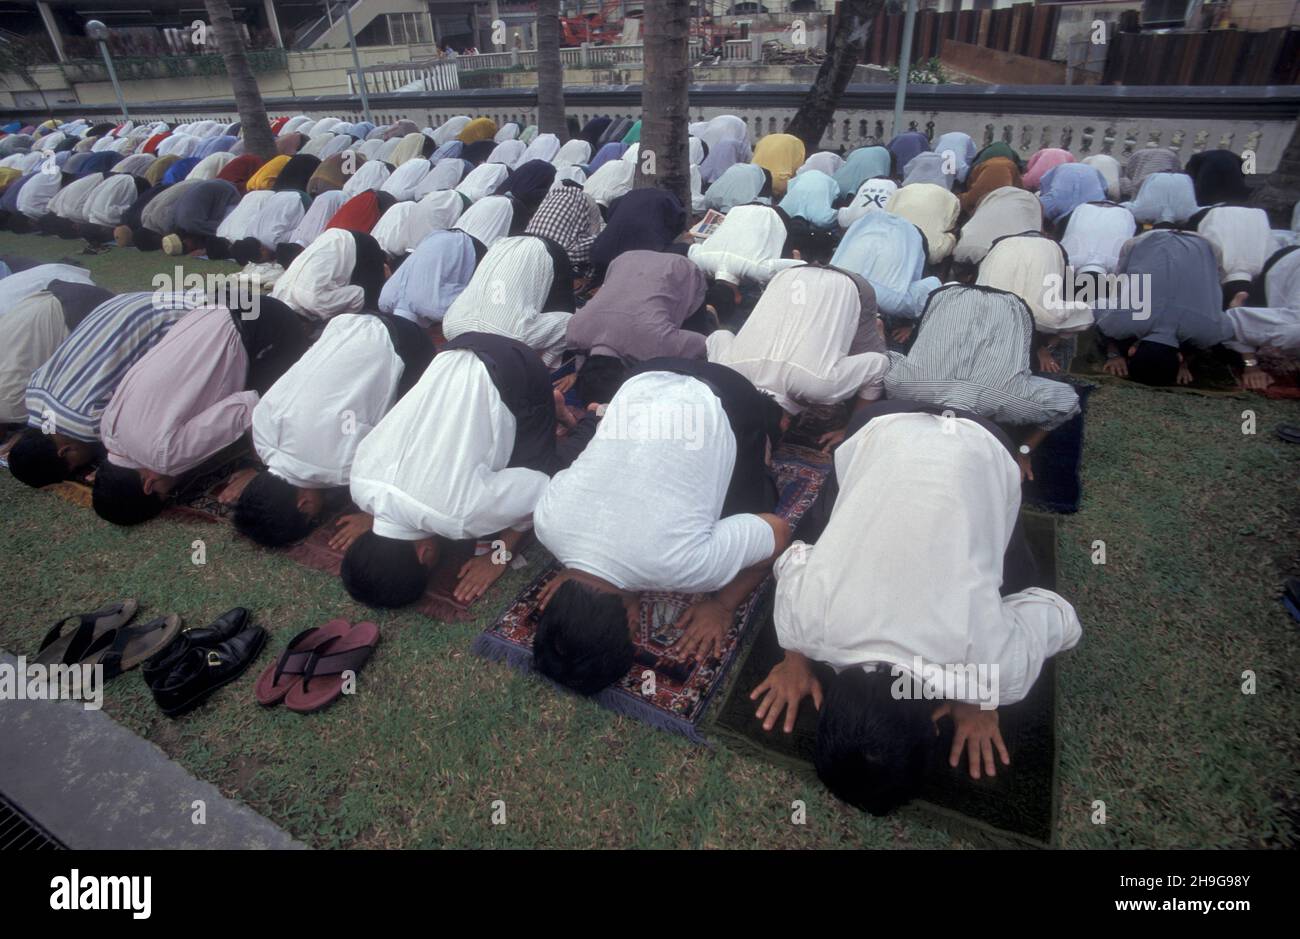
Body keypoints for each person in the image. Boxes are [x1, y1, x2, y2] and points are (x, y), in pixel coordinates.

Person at [760, 405, 1080, 814]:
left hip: (981, 440)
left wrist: (982, 693)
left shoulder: (997, 671)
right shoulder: (801, 621)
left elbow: (1060, 617)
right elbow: (793, 559)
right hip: (882, 423)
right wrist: (795, 657)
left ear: (933, 724)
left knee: (1012, 578)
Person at [532, 359, 791, 693]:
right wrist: (576, 568)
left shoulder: (691, 570)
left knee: (757, 505)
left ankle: (768, 432)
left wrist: (722, 605)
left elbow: (779, 532)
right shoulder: (546, 524)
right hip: (643, 375)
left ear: (630, 623)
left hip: (729, 394)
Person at [341, 332, 597, 608]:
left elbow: (541, 487)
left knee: (552, 470)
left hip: (516, 367)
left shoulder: (457, 518)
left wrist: (498, 556)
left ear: (425, 554)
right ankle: (551, 410)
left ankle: (597, 418)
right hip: (454, 351)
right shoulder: (360, 487)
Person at [91, 299, 309, 526]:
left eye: (169, 493)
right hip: (222, 304)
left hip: (266, 323)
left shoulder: (164, 458)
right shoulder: (107, 427)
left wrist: (258, 466)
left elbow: (249, 404)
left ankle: (304, 345)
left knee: (282, 401)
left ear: (149, 485)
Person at [230, 312, 434, 547]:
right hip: (348, 323)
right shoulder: (262, 433)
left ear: (304, 505)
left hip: (407, 342)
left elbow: (400, 461)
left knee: (412, 415)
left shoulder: (340, 471)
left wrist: (373, 517)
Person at [882, 284, 1081, 477]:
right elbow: (1067, 403)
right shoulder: (904, 385)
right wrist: (1023, 451)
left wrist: (1024, 450)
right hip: (958, 297)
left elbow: (1067, 403)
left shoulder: (1008, 400)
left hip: (989, 304)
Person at [8, 291, 194, 488]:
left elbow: (145, 439)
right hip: (134, 301)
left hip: (181, 318)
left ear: (65, 451)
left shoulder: (89, 423)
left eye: (75, 466)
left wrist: (115, 464)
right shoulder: (33, 395)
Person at [706, 265, 890, 417]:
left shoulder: (822, 385)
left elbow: (879, 364)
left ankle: (875, 329)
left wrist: (853, 429)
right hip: (789, 274)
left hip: (850, 286)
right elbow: (718, 336)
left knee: (867, 352)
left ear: (785, 423)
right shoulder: (728, 369)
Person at [565, 251, 717, 397]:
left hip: (680, 269)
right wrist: (578, 374)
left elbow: (707, 344)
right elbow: (582, 358)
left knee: (687, 367)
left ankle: (709, 314)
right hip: (626, 260)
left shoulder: (659, 343)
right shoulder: (573, 330)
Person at [442, 235, 575, 364]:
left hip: (537, 249)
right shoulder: (449, 327)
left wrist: (544, 364)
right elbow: (569, 324)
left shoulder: (516, 336)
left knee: (557, 310)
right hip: (504, 244)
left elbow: (569, 324)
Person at [0, 280, 112, 428]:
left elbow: (50, 421)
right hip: (56, 299)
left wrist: (24, 440)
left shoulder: (10, 406)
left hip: (83, 312)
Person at [830, 211, 940, 332]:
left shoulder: (893, 301)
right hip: (877, 225)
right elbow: (933, 289)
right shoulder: (894, 302)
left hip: (878, 226)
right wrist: (912, 326)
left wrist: (910, 325)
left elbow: (933, 288)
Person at [687, 203, 802, 292]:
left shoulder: (759, 270)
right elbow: (692, 247)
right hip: (739, 210)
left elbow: (799, 265)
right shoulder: (698, 259)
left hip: (771, 215)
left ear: (737, 297)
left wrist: (795, 259)